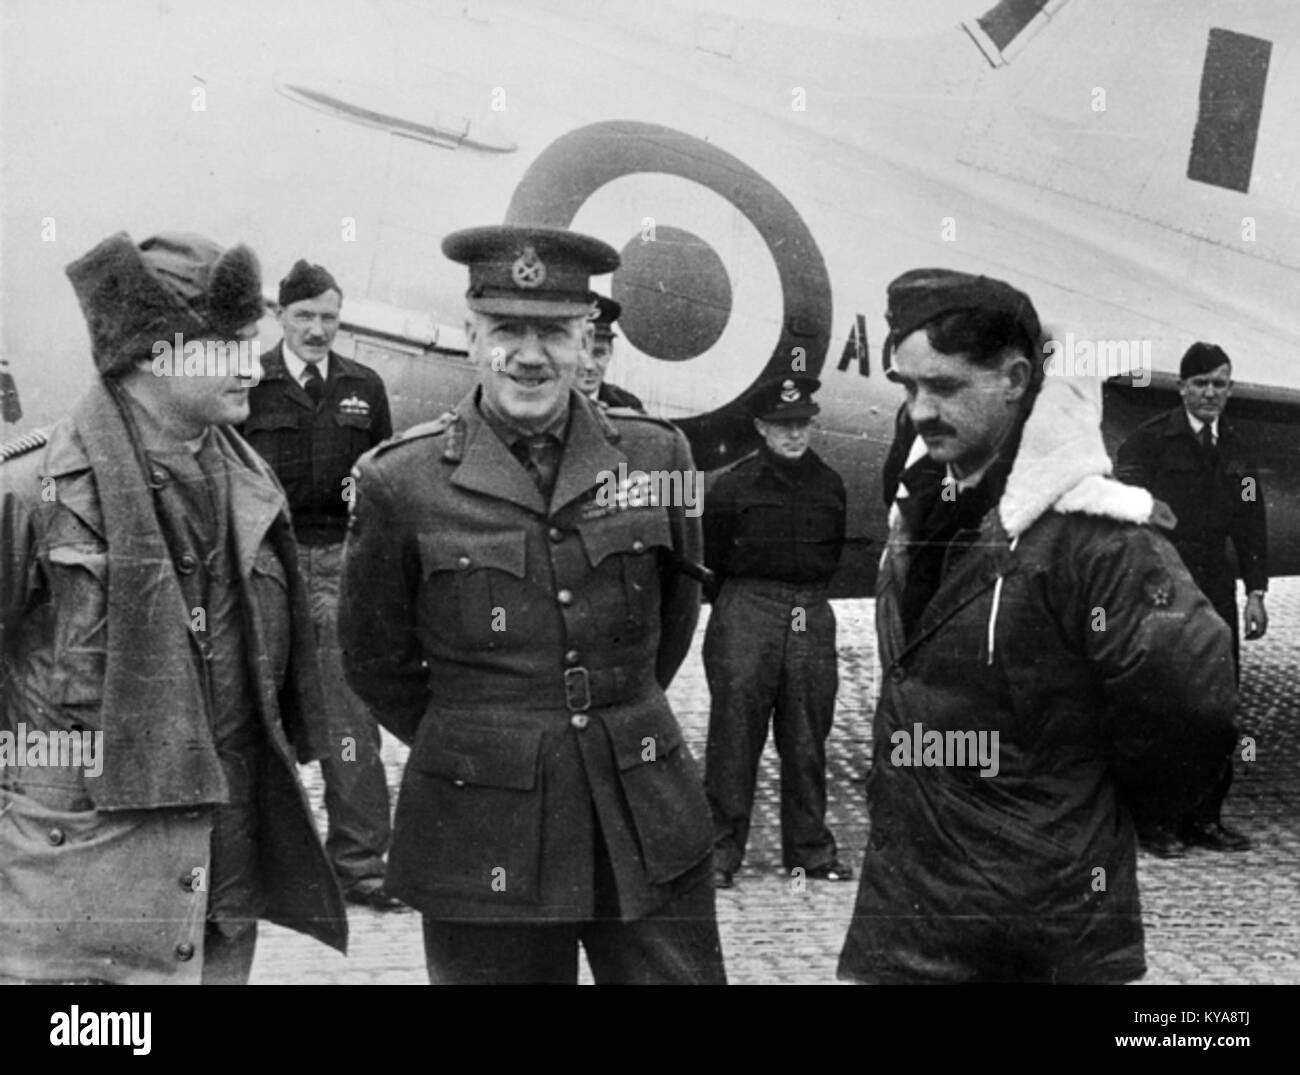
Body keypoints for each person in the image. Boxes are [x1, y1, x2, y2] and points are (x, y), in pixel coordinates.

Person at [339, 224, 725, 984]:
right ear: (473, 336)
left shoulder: (656, 456)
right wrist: (482, 732)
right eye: (506, 329)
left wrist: (617, 704)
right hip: (483, 818)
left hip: (642, 807)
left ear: (588, 341)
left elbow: (672, 621)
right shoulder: (401, 480)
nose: (528, 354)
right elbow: (374, 658)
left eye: (552, 331)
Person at [837, 268, 1238, 984]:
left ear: (1017, 378)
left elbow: (1193, 694)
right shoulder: (925, 508)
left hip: (1038, 934)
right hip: (909, 919)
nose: (920, 410)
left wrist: (1084, 811)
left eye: (947, 387)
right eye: (908, 387)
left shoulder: (1096, 537)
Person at [0, 231, 347, 984]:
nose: (253, 362)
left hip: (220, 890)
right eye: (228, 345)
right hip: (76, 906)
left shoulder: (254, 490)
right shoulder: (31, 494)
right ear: (157, 356)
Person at [241, 260, 400, 909]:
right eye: (304, 316)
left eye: (329, 317)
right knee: (250, 709)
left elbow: (385, 479)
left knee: (346, 716)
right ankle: (244, 862)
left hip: (338, 558)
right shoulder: (250, 381)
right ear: (280, 317)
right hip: (268, 562)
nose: (317, 329)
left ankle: (360, 865)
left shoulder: (365, 385)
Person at [1114, 342, 1266, 856]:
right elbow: (1127, 515)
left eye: (1220, 384)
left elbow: (1251, 523)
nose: (1210, 394)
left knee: (1217, 704)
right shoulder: (1150, 442)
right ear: (1181, 387)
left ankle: (1205, 817)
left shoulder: (1239, 450)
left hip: (1216, 589)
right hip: (1162, 584)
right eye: (1200, 384)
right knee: (1160, 704)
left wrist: (1257, 592)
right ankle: (1155, 821)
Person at [701, 374, 851, 889]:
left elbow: (830, 555)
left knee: (808, 737)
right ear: (762, 427)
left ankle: (810, 852)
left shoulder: (830, 483)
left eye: (802, 423)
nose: (794, 434)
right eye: (783, 425)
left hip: (809, 611)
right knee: (733, 736)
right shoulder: (733, 486)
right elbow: (714, 557)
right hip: (748, 607)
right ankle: (719, 854)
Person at [576, 294, 645, 412]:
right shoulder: (541, 406)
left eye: (598, 353)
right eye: (579, 354)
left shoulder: (628, 405)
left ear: (611, 351)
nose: (589, 366)